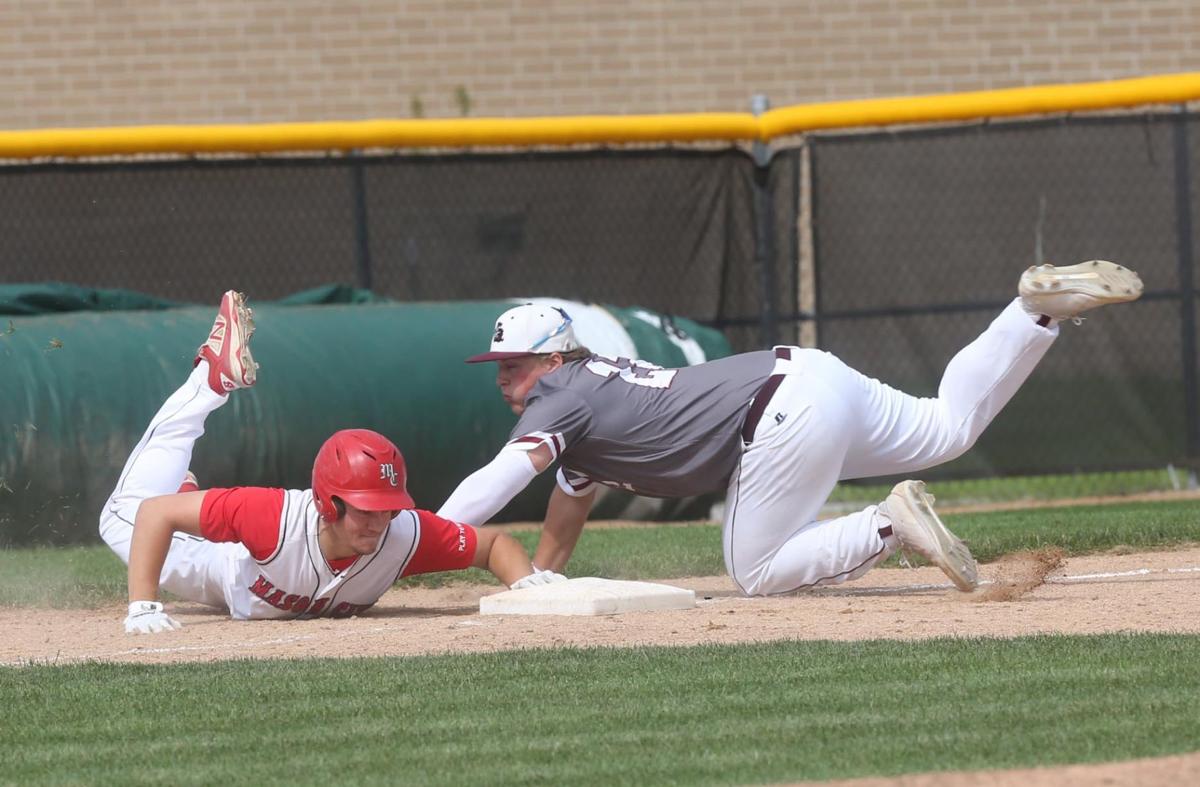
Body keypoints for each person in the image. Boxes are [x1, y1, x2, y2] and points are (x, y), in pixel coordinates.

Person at [437, 261, 1144, 596]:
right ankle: (1031, 313)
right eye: (499, 368)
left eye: (516, 365)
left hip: (775, 415)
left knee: (756, 569)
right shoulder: (587, 400)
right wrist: (535, 587)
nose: (505, 378)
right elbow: (563, 516)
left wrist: (423, 540)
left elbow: (500, 477)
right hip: (806, 375)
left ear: (555, 359)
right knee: (947, 426)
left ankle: (887, 523)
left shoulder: (560, 392)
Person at [101, 290, 560, 635]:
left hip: (237, 560)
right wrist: (143, 605)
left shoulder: (403, 534)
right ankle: (210, 380)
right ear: (327, 503)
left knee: (172, 505)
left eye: (388, 505)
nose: (379, 520)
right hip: (208, 565)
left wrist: (526, 586)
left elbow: (494, 546)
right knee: (121, 515)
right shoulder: (271, 517)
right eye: (364, 507)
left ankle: (188, 491)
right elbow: (153, 515)